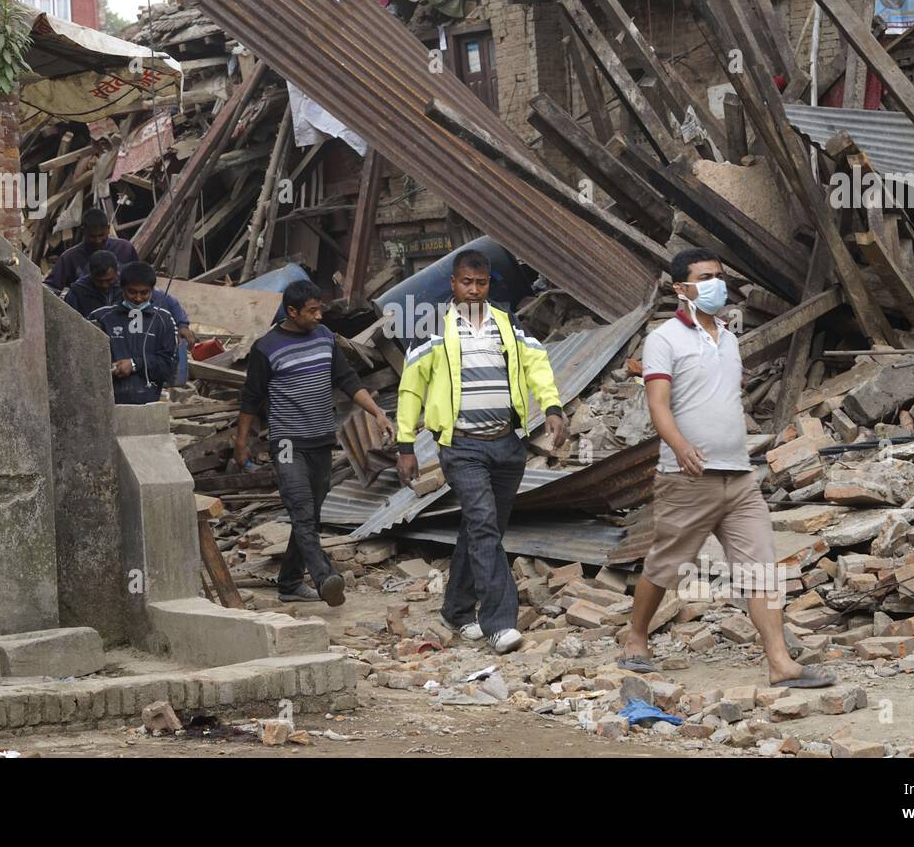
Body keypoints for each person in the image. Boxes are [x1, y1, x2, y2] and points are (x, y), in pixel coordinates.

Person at [620, 248, 835, 689]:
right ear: (682, 288)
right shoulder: (664, 339)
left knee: (761, 568)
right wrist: (679, 446)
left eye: (720, 275)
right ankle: (636, 638)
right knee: (666, 564)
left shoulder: (729, 336)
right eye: (705, 277)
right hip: (688, 478)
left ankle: (779, 662)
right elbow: (658, 404)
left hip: (739, 477)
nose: (717, 283)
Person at [395, 250, 568, 655]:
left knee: (483, 530)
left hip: (507, 444)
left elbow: (537, 364)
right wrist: (406, 445)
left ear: (489, 284)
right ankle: (499, 622)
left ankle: (455, 610)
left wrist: (553, 406)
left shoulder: (508, 324)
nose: (474, 290)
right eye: (466, 283)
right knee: (485, 525)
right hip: (462, 445)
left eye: (482, 283)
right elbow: (410, 389)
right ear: (453, 285)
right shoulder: (433, 330)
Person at [237, 281, 395, 607]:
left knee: (309, 513)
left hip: (322, 439)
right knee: (302, 509)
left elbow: (348, 381)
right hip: (287, 442)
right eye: (312, 311)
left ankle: (290, 583)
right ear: (292, 312)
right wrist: (242, 442)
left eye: (320, 308)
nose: (319, 315)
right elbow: (250, 400)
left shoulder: (325, 338)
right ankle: (324, 577)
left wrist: (378, 412)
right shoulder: (267, 348)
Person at [88, 262, 179, 405]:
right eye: (132, 292)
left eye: (144, 292)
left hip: (147, 404)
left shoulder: (164, 320)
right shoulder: (100, 317)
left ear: (152, 290)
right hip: (105, 403)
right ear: (122, 288)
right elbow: (86, 360)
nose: (137, 298)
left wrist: (135, 364)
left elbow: (168, 366)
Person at [66, 250, 198, 348]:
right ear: (91, 274)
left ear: (117, 273)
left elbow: (168, 301)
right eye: (99, 282)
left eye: (109, 280)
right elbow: (68, 321)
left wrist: (182, 325)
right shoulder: (78, 291)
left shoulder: (129, 284)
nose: (105, 286)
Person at [43, 208, 139, 294]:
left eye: (101, 235)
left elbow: (139, 279)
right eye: (92, 236)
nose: (97, 240)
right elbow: (50, 289)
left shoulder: (125, 249)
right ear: (83, 231)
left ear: (108, 229)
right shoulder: (70, 258)